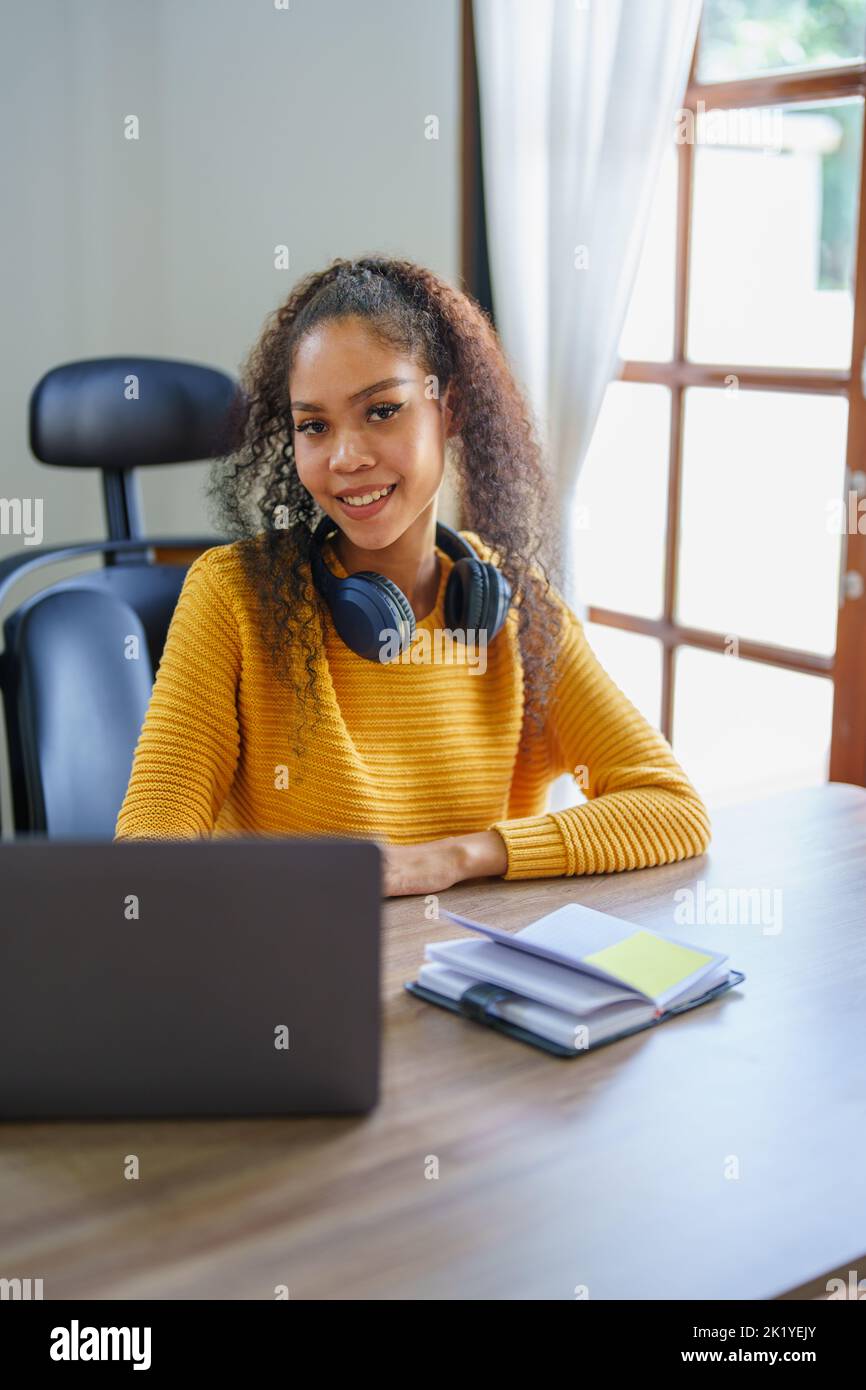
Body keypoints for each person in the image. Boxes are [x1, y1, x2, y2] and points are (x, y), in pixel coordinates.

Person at [114, 255, 711, 896]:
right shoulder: (232, 594)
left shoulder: (513, 601)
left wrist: (454, 857)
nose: (345, 457)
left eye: (381, 411)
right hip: (297, 975)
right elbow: (150, 851)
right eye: (314, 426)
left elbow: (671, 808)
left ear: (447, 410)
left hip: (464, 977)